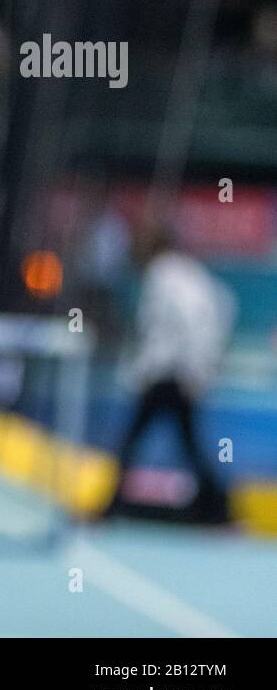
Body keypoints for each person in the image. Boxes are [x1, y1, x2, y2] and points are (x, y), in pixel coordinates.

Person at [103, 220, 235, 523]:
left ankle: (110, 505)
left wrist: (195, 370)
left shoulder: (164, 275)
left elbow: (192, 323)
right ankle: (218, 509)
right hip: (173, 374)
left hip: (169, 376)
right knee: (184, 442)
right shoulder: (187, 272)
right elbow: (224, 305)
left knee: (136, 439)